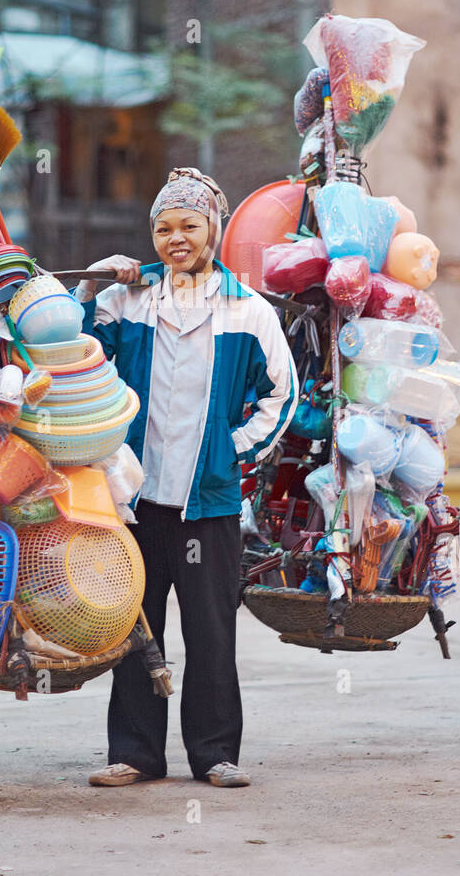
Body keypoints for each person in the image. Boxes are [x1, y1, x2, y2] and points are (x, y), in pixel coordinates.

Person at [73, 167, 299, 788]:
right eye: (164, 227)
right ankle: (135, 754)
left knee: (211, 635)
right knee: (134, 628)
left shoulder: (247, 311)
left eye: (189, 225)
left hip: (210, 505)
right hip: (136, 505)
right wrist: (94, 284)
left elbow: (280, 394)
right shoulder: (127, 300)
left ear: (214, 230)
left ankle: (216, 754)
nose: (176, 238)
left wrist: (232, 451)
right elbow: (73, 357)